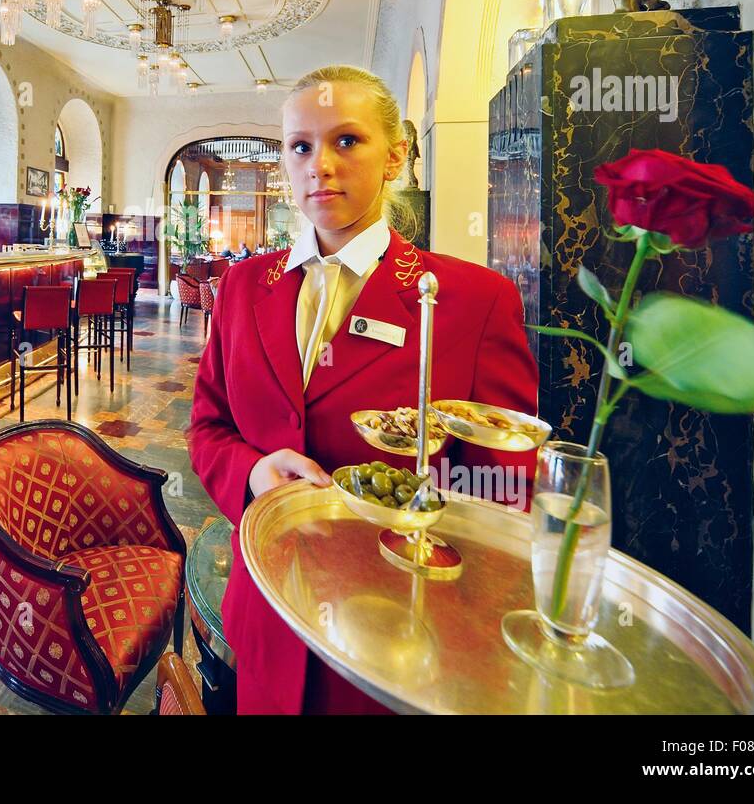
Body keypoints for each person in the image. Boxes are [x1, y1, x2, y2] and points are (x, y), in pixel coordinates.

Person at [187, 65, 538, 715]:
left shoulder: (473, 301)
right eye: (300, 146)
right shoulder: (242, 289)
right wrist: (253, 472)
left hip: (396, 650)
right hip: (267, 619)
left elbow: (506, 498)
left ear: (395, 157)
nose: (320, 164)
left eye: (346, 141)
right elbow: (209, 425)